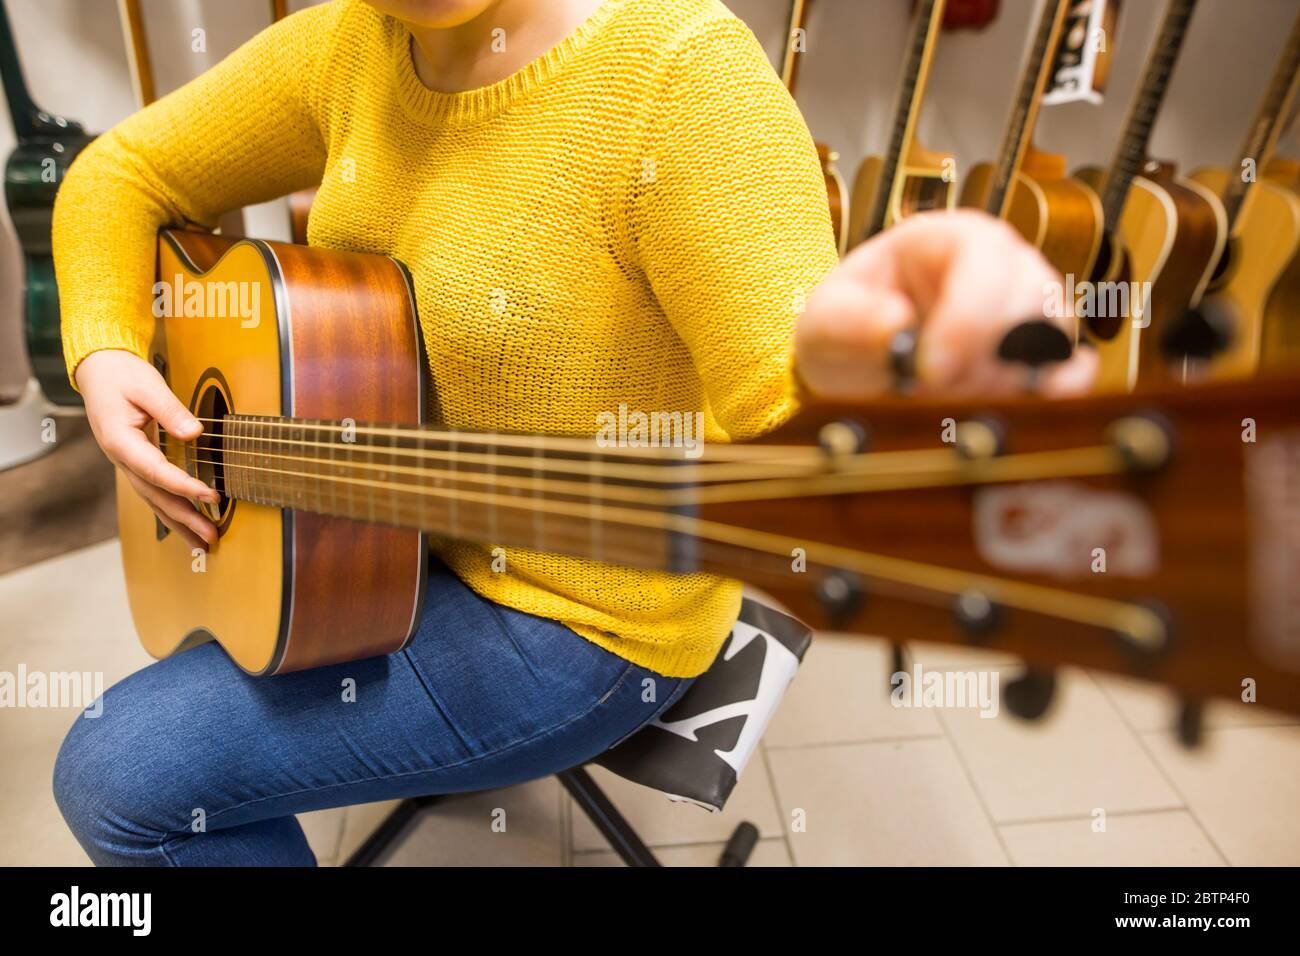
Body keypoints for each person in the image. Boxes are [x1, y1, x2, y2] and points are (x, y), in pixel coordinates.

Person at [50, 0, 1095, 865]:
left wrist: (924, 406)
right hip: (379, 547)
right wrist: (103, 348)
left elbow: (808, 419)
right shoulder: (349, 43)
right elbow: (119, 170)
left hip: (578, 623)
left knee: (117, 775)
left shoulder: (680, 81)